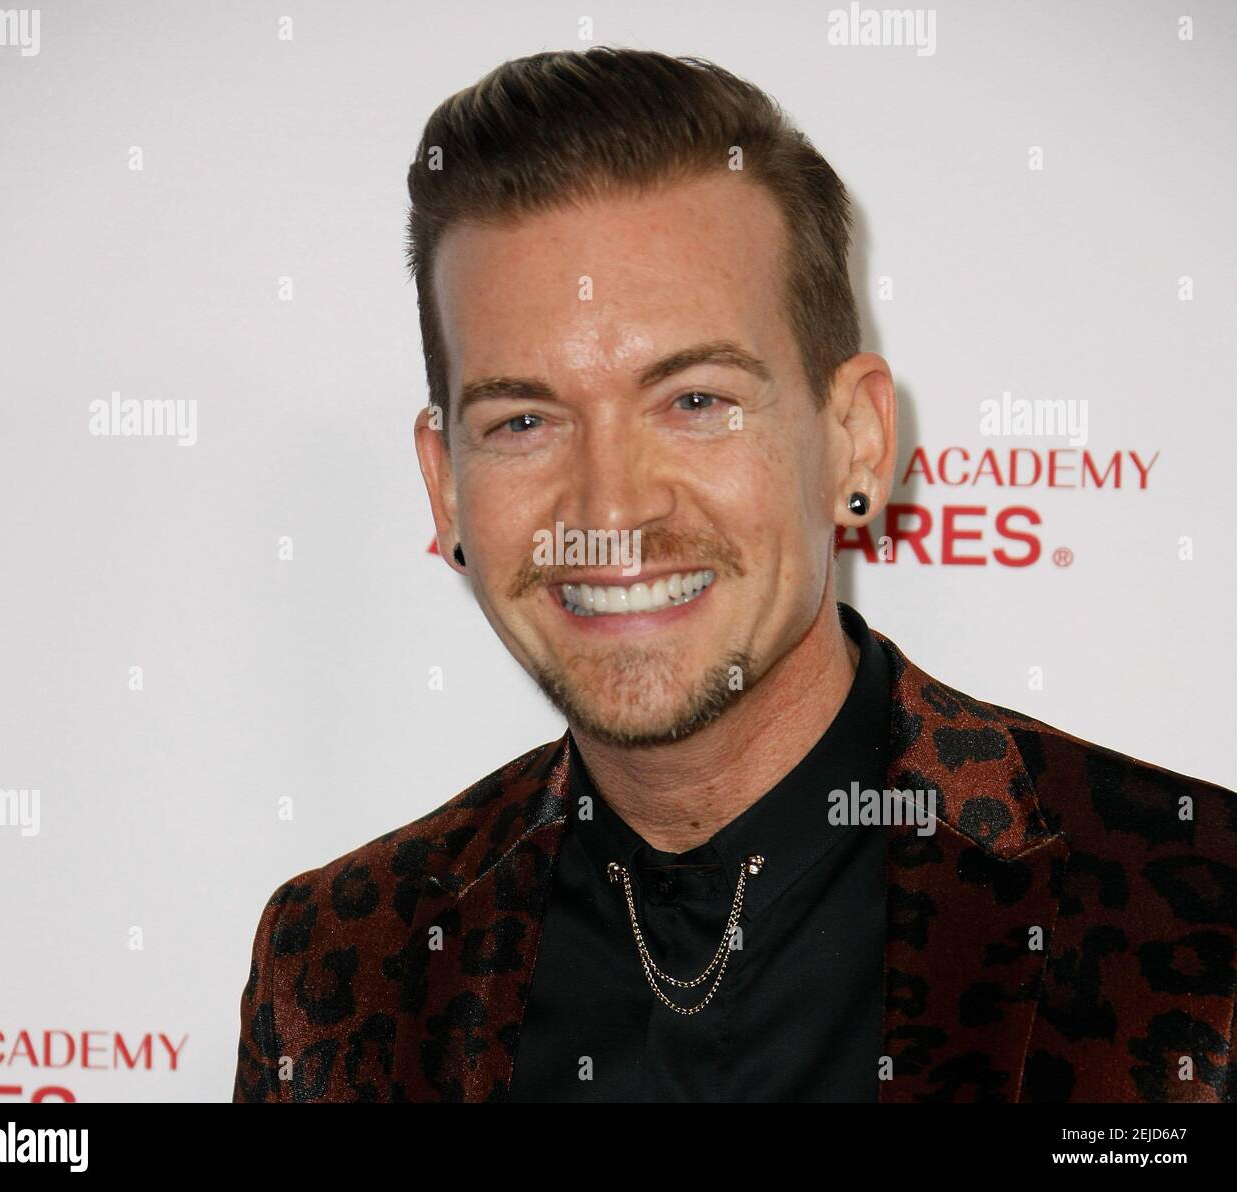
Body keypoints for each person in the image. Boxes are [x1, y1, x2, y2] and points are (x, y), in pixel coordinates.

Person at [232, 47, 1236, 1103]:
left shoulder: (1198, 927)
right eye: (523, 420)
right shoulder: (339, 965)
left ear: (852, 439)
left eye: (696, 401)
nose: (610, 510)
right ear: (445, 487)